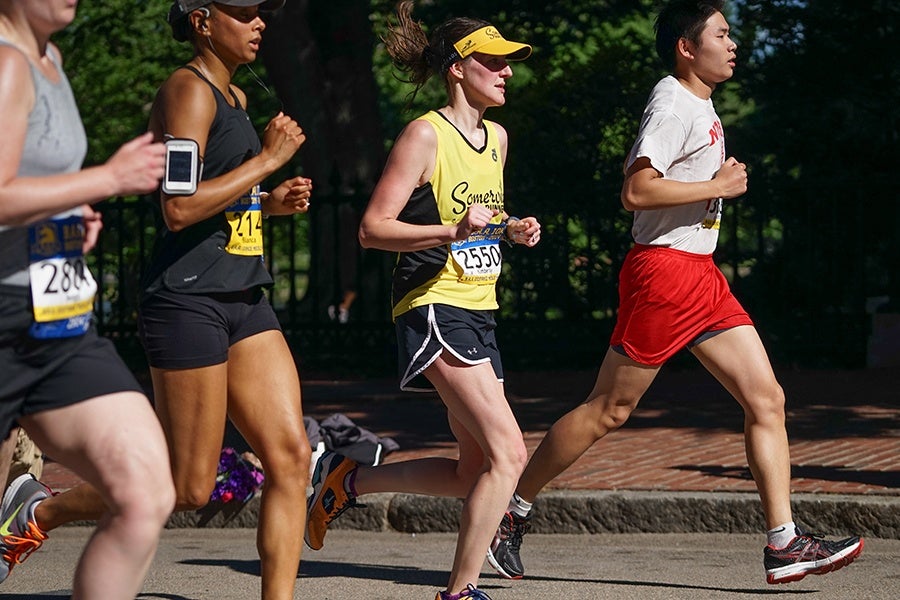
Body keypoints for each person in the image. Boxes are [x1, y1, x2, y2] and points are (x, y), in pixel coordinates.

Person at [486, 0, 864, 586]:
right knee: (609, 409)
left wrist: (709, 190)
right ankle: (510, 513)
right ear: (688, 48)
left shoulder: (700, 103)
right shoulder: (671, 101)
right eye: (721, 33)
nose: (733, 42)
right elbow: (636, 191)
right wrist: (717, 185)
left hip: (701, 275)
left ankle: (784, 542)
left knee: (767, 399)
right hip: (663, 275)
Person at [0, 2, 314, 599]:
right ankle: (39, 514)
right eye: (243, 13)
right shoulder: (187, 91)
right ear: (202, 22)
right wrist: (268, 161)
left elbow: (219, 201)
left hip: (246, 295)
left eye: (260, 14)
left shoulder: (238, 102)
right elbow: (178, 207)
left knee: (291, 455)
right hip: (188, 300)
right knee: (186, 486)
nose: (259, 23)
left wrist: (266, 200)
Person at [304, 2, 541, 599]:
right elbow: (372, 228)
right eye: (494, 61)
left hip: (479, 310)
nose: (507, 71)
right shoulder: (425, 134)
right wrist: (450, 232)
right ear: (459, 69)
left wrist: (509, 228)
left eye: (509, 63)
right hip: (433, 305)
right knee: (509, 452)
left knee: (472, 472)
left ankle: (349, 481)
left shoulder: (498, 139)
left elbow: (477, 216)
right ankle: (460, 592)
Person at [0, 0, 176, 596]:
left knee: (145, 490)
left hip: (55, 322)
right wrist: (108, 178)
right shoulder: (7, 65)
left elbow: (29, 184)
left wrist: (68, 214)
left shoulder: (49, 58)